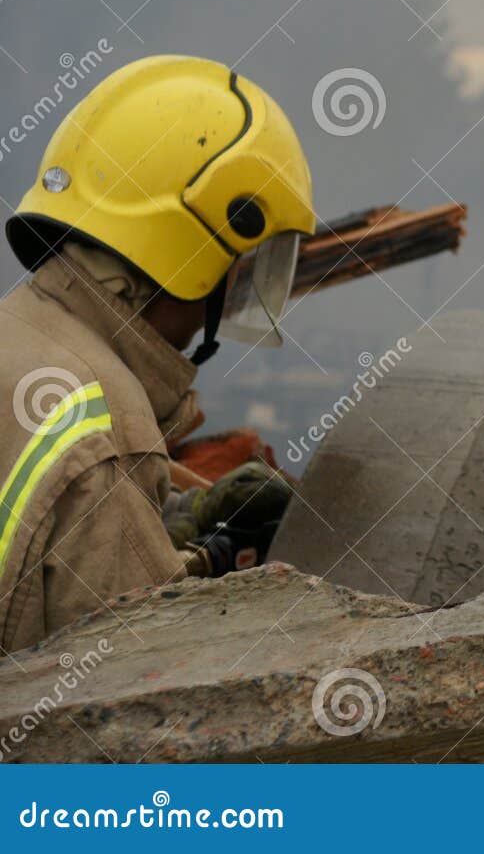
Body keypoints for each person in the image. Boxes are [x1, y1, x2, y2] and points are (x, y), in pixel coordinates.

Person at [0, 55, 314, 652]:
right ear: (195, 252)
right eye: (242, 266)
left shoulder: (16, 332)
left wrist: (175, 520)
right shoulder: (103, 424)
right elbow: (127, 678)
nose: (238, 286)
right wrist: (213, 565)